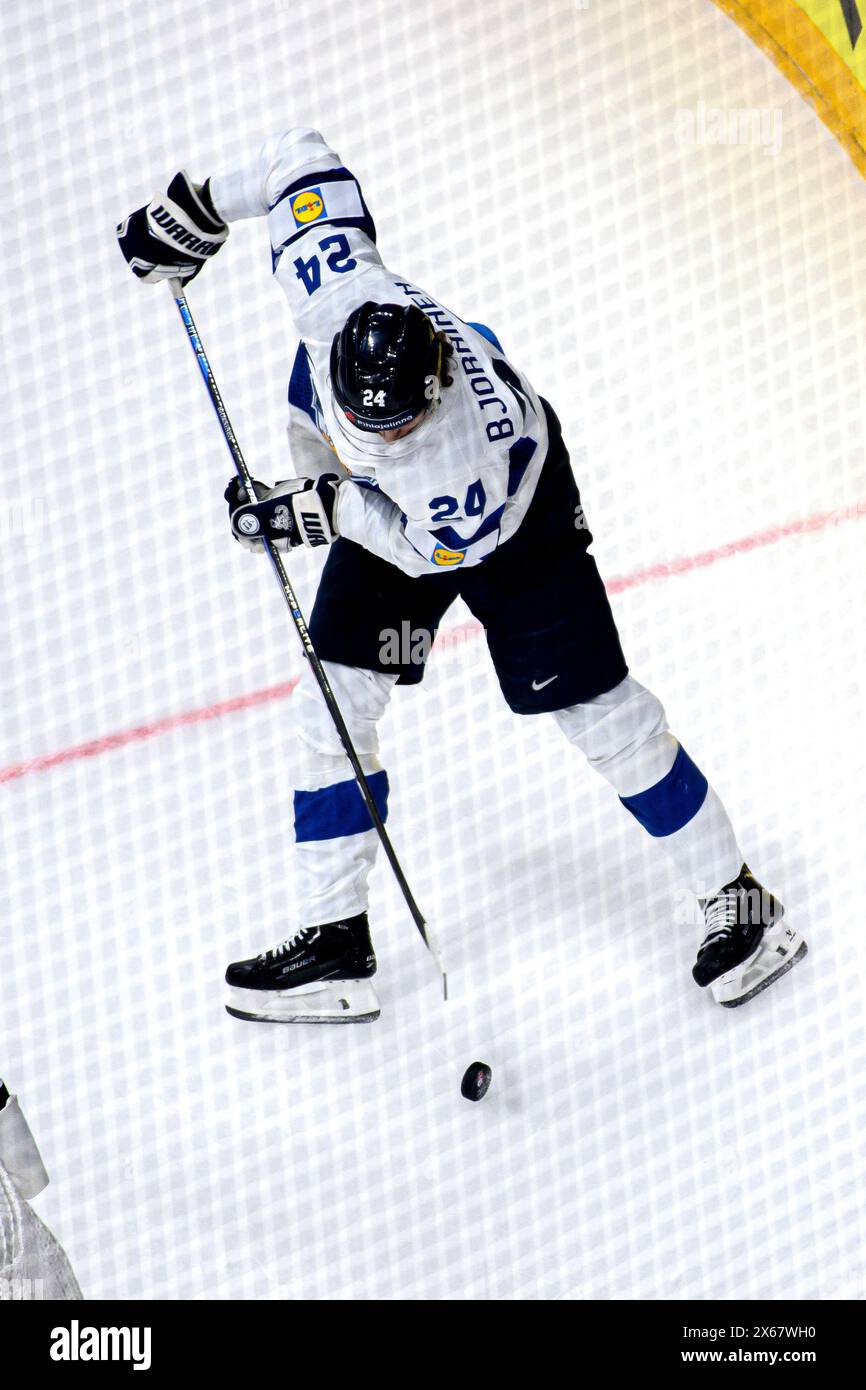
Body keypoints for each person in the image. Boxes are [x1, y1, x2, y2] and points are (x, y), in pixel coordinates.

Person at [117, 128, 806, 1022]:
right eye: (377, 427)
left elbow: (420, 547)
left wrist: (307, 511)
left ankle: (743, 906)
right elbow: (300, 159)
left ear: (433, 390)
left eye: (399, 427)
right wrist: (198, 207)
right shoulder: (338, 293)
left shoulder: (455, 467)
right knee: (338, 692)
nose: (387, 435)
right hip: (395, 514)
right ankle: (335, 942)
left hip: (516, 531)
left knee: (595, 712)